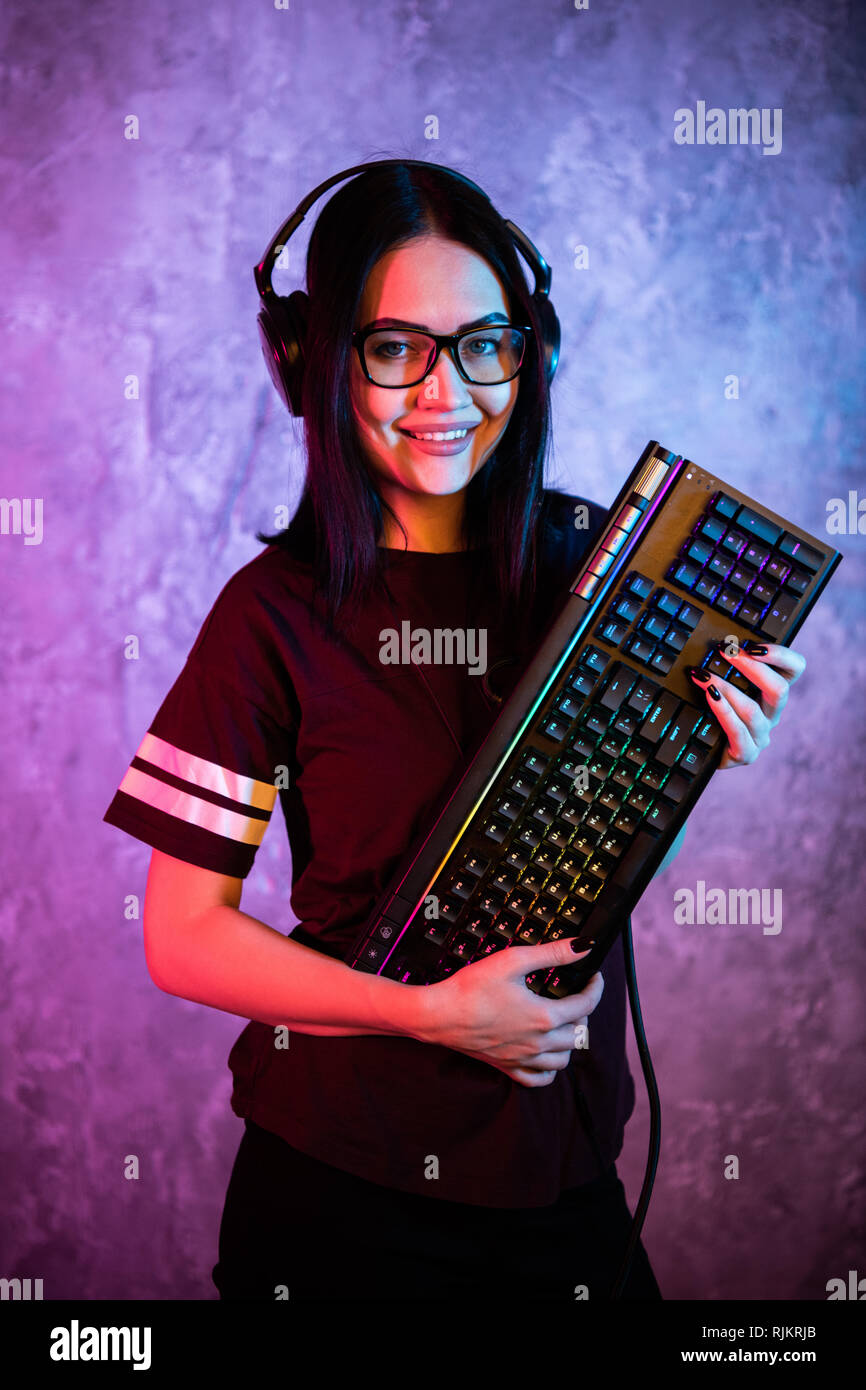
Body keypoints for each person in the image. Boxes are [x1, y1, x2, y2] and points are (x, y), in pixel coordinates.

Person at [103, 161, 806, 1302]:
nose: (448, 393)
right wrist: (429, 1015)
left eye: (485, 343)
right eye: (395, 349)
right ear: (313, 364)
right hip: (344, 1200)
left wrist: (688, 758)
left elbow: (577, 868)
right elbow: (180, 937)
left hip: (564, 1175)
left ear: (528, 355)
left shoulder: (599, 559)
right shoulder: (271, 614)